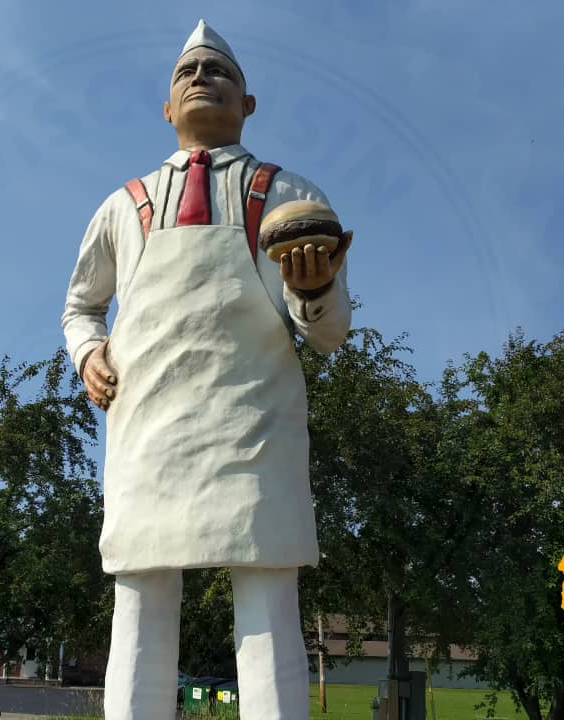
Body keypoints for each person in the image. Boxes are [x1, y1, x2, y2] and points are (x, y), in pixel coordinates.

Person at [61, 19, 351, 720]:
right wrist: (89, 353)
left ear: (248, 104)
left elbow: (330, 336)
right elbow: (80, 305)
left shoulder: (289, 195)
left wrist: (314, 290)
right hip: (146, 424)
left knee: (267, 599)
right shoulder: (120, 206)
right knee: (140, 600)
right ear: (166, 108)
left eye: (219, 71)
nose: (201, 78)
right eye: (186, 72)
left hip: (256, 420)